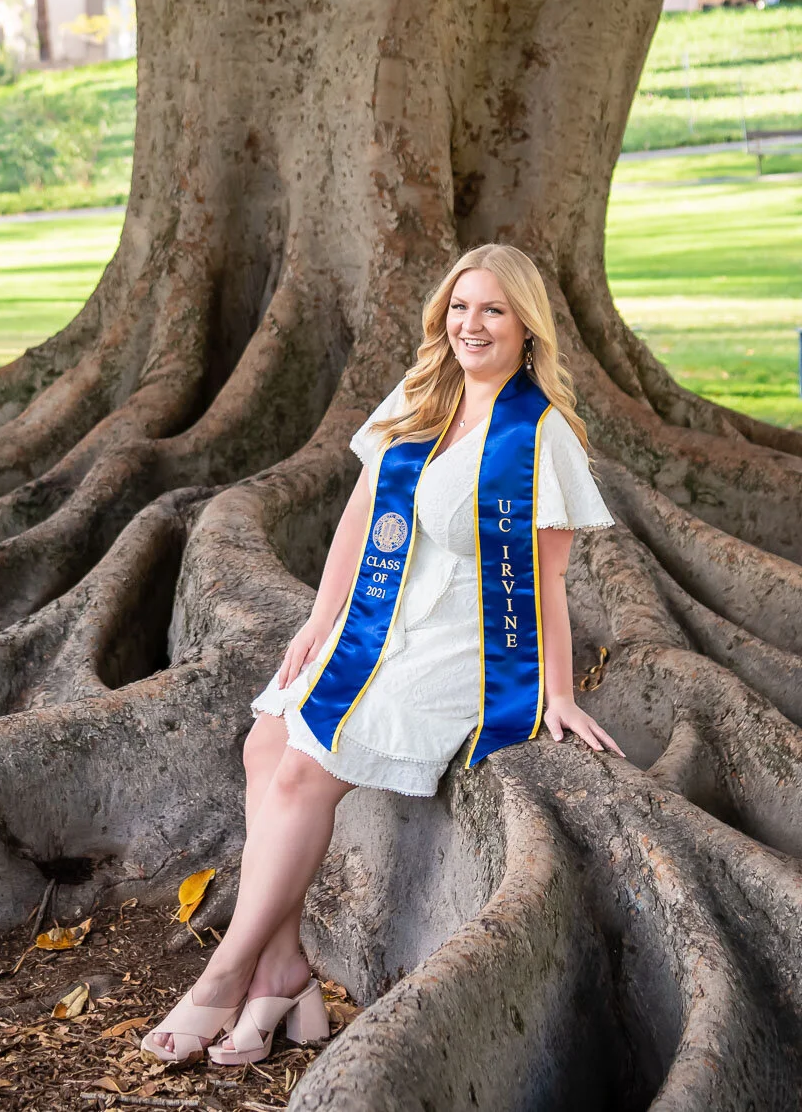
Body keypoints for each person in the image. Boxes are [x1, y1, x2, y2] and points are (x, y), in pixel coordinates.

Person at [141, 243, 625, 1067]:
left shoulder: (541, 439)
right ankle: (285, 972)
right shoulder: (418, 395)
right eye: (461, 308)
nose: (472, 324)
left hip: (464, 650)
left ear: (527, 329)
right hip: (378, 623)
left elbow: (546, 580)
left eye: (493, 310)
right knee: (267, 742)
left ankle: (224, 977)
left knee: (300, 769)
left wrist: (559, 692)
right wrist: (316, 624)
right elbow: (360, 520)